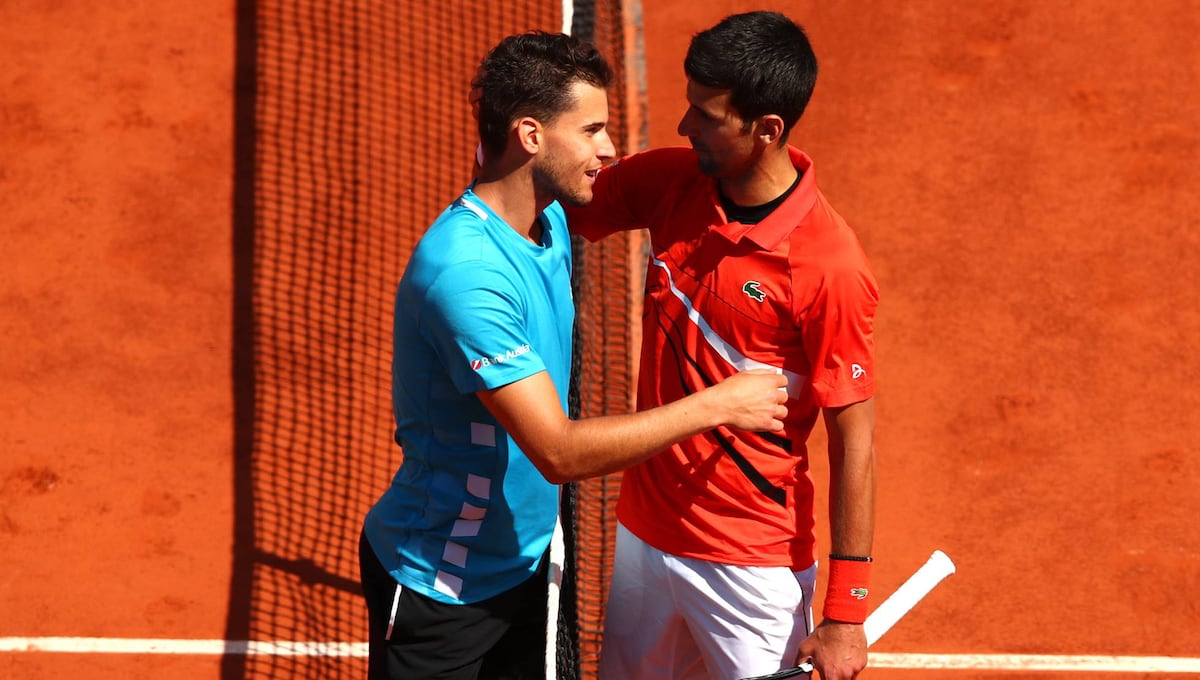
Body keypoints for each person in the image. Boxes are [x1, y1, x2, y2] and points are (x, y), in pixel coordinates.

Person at [359, 30, 790, 680]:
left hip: (526, 564)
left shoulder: (550, 217)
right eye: (591, 130)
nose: (609, 149)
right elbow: (557, 452)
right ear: (531, 136)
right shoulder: (468, 277)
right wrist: (719, 404)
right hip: (442, 587)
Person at [565, 11, 880, 680]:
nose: (685, 127)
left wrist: (846, 616)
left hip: (751, 563)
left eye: (707, 117)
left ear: (766, 130)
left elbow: (855, 443)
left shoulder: (829, 267)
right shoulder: (671, 183)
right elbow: (564, 205)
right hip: (644, 534)